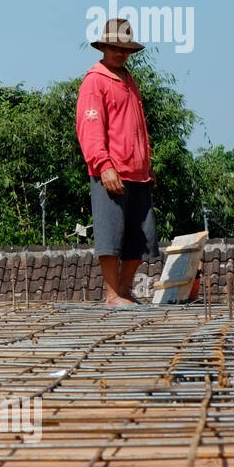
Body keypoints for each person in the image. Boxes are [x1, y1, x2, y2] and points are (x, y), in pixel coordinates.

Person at [75, 18, 159, 307]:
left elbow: (138, 127)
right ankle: (112, 294)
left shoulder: (128, 79)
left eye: (125, 49)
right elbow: (90, 129)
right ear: (104, 47)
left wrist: (147, 164)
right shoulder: (94, 81)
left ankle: (123, 290)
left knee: (142, 238)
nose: (120, 53)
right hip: (111, 171)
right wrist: (104, 164)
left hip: (138, 172)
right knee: (111, 236)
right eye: (115, 48)